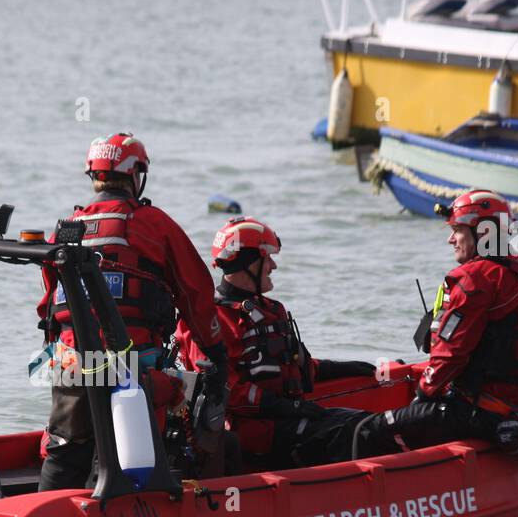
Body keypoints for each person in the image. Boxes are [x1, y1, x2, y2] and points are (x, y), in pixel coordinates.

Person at [36, 132, 228, 490]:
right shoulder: (153, 224)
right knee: (140, 442)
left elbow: (48, 309)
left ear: (94, 175)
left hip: (69, 367)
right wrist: (216, 354)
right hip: (133, 366)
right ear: (135, 175)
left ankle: (49, 514)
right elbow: (196, 293)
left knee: (64, 451)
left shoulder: (64, 231)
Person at [351, 190, 518, 463]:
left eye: (457, 230)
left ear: (483, 232)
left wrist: (423, 395)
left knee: (365, 431)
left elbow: (451, 353)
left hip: (480, 410)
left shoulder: (478, 277)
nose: (450, 239)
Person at [175, 216, 377, 469]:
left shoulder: (271, 309)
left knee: (368, 424)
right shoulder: (210, 321)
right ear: (247, 263)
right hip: (252, 434)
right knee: (358, 431)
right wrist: (288, 407)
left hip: (286, 421)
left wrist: (340, 368)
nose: (273, 266)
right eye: (267, 258)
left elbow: (287, 367)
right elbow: (228, 392)